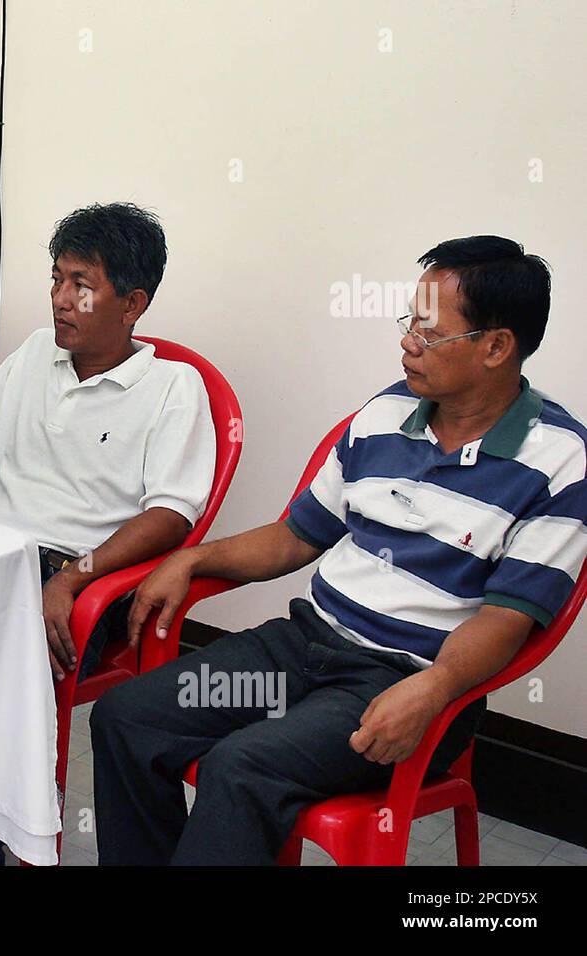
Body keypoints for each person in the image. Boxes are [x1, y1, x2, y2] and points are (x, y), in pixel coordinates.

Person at [91, 236, 587, 865]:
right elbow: (297, 535)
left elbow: (506, 620)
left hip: (404, 680)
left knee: (240, 768)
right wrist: (191, 558)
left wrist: (434, 690)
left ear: (496, 346)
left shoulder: (559, 462)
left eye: (430, 332)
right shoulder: (387, 413)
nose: (408, 341)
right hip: (301, 650)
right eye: (409, 322)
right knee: (127, 718)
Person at [0, 202, 216, 865]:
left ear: (133, 302)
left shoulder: (174, 387)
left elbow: (171, 514)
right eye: (55, 279)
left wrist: (74, 574)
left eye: (80, 284)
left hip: (86, 581)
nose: (60, 299)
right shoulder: (33, 355)